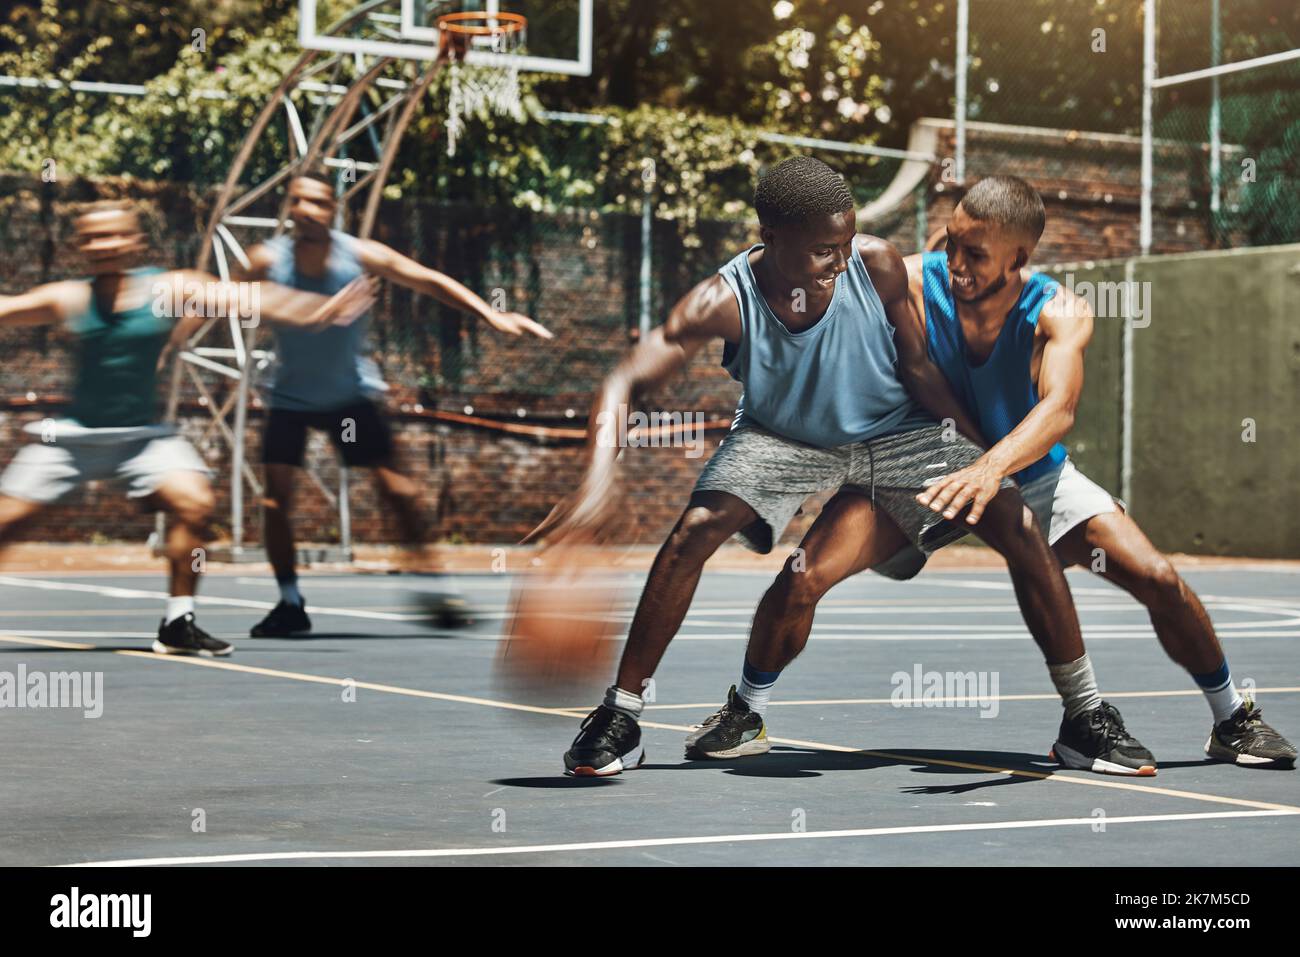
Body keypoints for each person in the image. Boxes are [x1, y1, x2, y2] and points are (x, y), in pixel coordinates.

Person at [527, 157, 1153, 778]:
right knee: (697, 530)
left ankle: (1085, 716)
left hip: (893, 430)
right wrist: (593, 490)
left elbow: (918, 369)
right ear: (771, 239)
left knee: (1015, 522)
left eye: (848, 240)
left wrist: (979, 457)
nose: (842, 259)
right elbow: (622, 381)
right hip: (782, 435)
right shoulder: (723, 301)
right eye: (826, 249)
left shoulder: (874, 264)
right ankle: (624, 715)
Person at [720, 175, 1294, 771]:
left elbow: (1059, 408)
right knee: (802, 576)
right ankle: (744, 710)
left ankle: (1226, 720)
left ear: (1019, 257)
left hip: (1026, 472)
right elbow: (803, 312)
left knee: (1157, 577)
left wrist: (991, 466)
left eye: (975, 253)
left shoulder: (1057, 310)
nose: (955, 262)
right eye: (951, 242)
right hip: (918, 470)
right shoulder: (911, 279)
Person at [0, 202, 374, 657]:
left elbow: (249, 299)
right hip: (74, 438)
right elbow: (8, 308)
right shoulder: (69, 297)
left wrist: (316, 310)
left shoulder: (169, 288)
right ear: (80, 246)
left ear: (136, 242)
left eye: (115, 235)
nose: (105, 245)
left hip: (142, 439)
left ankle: (178, 622)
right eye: (94, 238)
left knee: (195, 503)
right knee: (8, 522)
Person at [238, 169, 552, 638]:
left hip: (350, 395)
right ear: (289, 206)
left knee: (399, 494)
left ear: (334, 209)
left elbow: (427, 280)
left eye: (319, 202)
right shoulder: (264, 258)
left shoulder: (360, 255)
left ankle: (437, 590)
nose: (307, 210)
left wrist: (491, 313)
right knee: (274, 500)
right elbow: (218, 294)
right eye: (299, 201)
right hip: (291, 397)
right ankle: (289, 602)